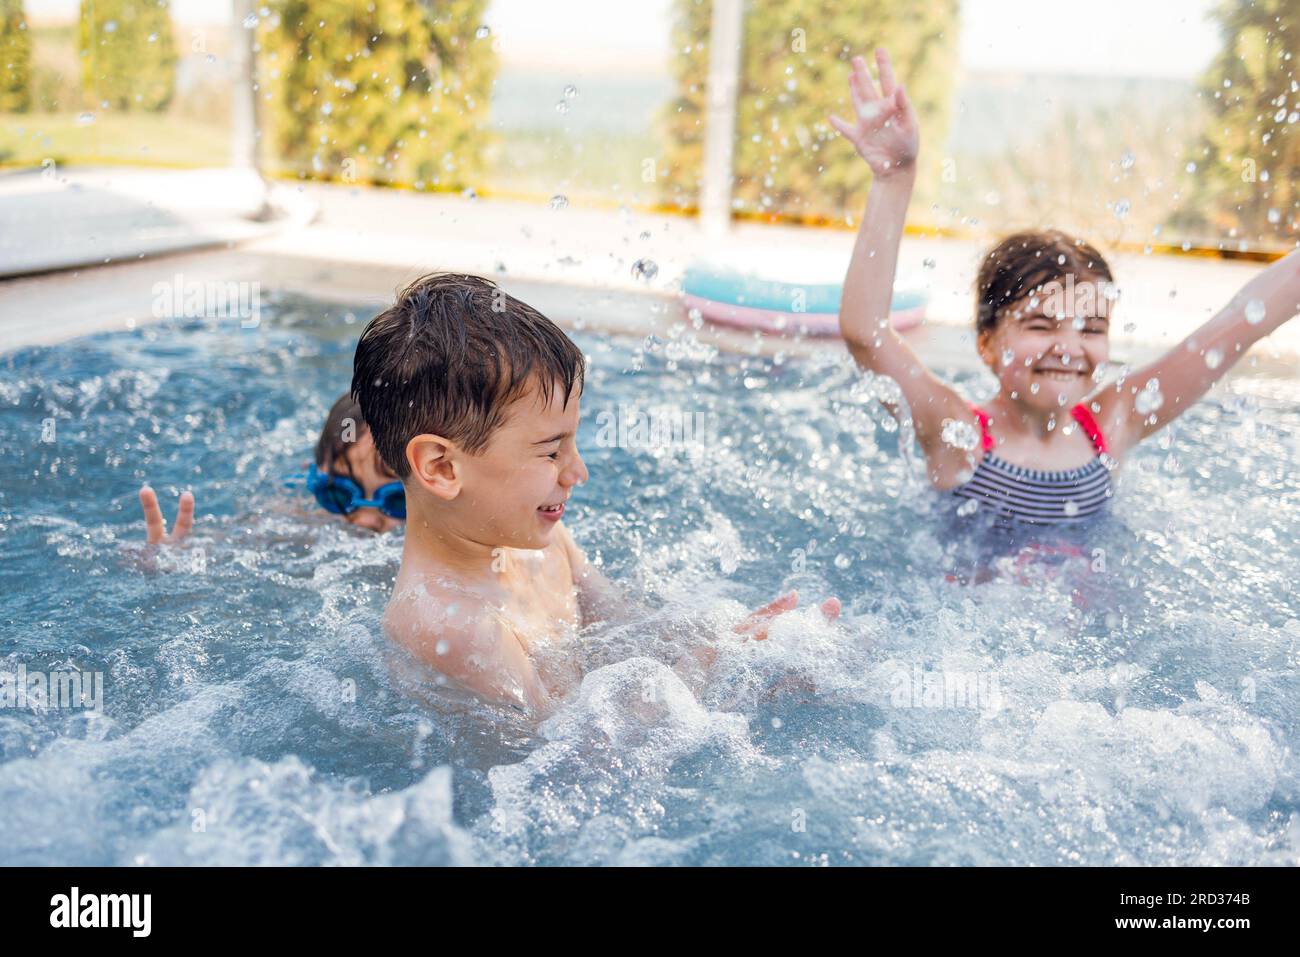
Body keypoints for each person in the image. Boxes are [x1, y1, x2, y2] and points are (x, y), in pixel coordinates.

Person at [830, 48, 1300, 527]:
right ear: (987, 343)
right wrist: (894, 178)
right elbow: (867, 332)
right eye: (1041, 325)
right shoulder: (959, 433)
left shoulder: (1113, 424)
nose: (1069, 348)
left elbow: (1244, 321)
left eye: (1091, 329)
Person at [352, 272, 839, 715]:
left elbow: (628, 630)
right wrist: (702, 669)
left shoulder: (539, 542)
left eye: (573, 442)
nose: (577, 472)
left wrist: (738, 651)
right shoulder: (448, 625)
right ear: (441, 467)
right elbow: (568, 764)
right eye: (550, 452)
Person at [139, 392, 405, 543]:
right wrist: (172, 556)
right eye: (339, 495)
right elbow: (226, 543)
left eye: (397, 500)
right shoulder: (294, 518)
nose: (366, 520)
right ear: (314, 474)